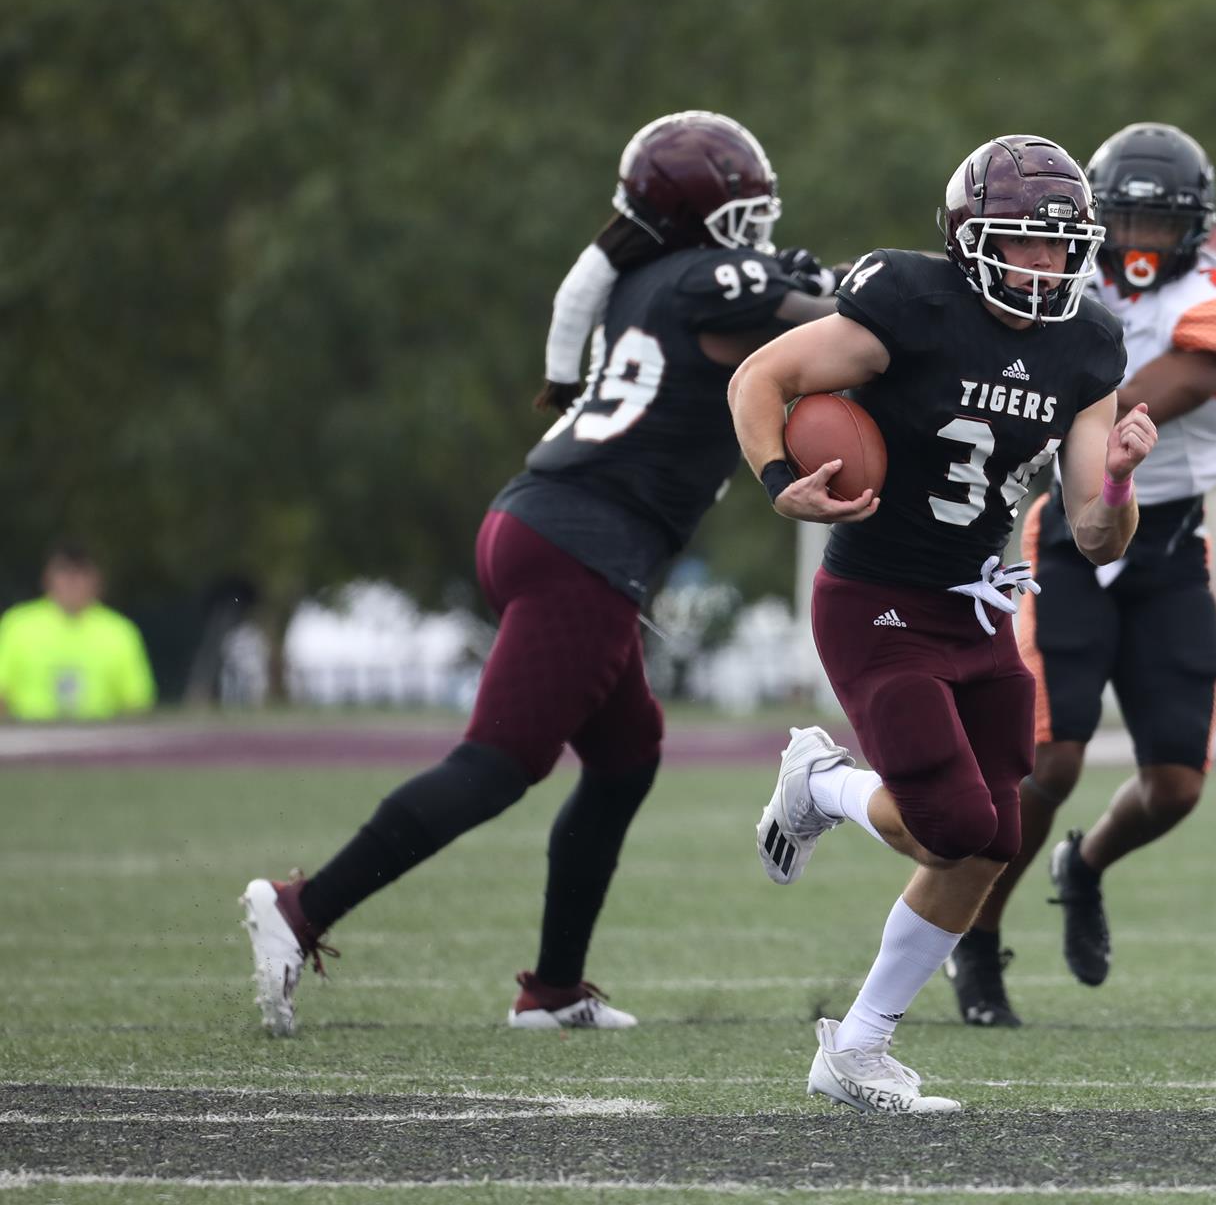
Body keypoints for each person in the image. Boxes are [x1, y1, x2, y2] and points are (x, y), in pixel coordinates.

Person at [239, 111, 841, 1038]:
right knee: (497, 765)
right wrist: (888, 290)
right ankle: (302, 908)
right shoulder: (711, 282)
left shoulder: (645, 277)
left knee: (626, 757)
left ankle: (554, 990)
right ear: (703, 219)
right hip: (582, 543)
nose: (759, 231)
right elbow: (833, 323)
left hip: (546, 522)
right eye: (744, 213)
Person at [728, 133, 1158, 1114]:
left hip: (975, 607)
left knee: (993, 841)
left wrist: (1122, 480)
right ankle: (823, 784)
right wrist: (776, 479)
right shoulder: (908, 303)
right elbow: (759, 377)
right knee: (949, 827)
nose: (1045, 263)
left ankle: (858, 1048)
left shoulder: (1086, 345)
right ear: (970, 242)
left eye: (1061, 245)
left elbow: (1097, 536)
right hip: (876, 601)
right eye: (1024, 242)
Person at [948, 122, 1216, 1027]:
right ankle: (975, 935)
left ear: (1195, 230)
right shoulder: (1056, 278)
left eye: (1159, 226)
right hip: (1072, 535)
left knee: (1176, 786)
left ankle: (1083, 866)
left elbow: (1161, 391)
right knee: (1051, 757)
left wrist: (1039, 393)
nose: (1140, 243)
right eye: (1125, 222)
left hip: (1170, 545)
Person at [0, 543, 156, 721]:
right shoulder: (17, 625)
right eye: (64, 571)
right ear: (47, 577)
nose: (72, 581)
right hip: (29, 734)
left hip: (101, 734)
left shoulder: (120, 632)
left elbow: (137, 704)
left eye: (81, 572)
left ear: (97, 579)